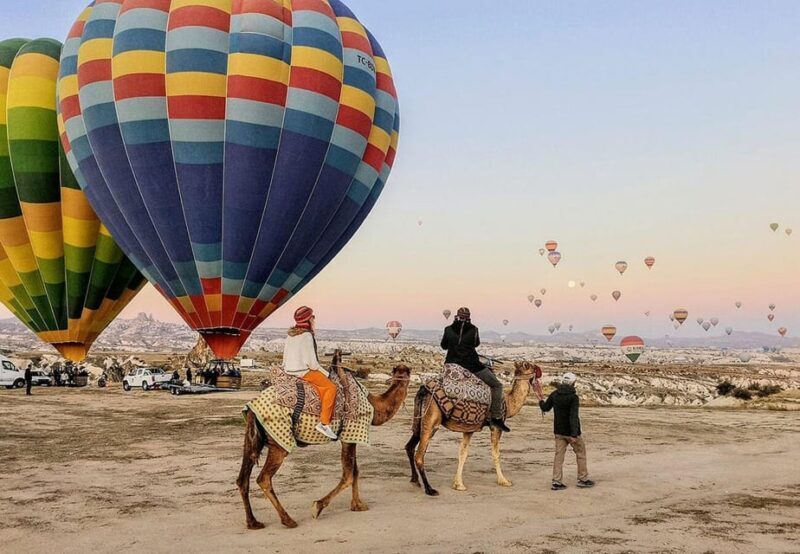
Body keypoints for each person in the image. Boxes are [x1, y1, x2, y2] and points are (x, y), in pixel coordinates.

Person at [440, 307, 510, 433]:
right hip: (471, 365)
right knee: (497, 386)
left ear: (456, 316)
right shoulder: (474, 330)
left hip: (451, 366)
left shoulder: (448, 329)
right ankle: (496, 417)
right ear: (469, 317)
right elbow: (476, 344)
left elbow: (443, 346)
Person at [282, 306, 338, 440]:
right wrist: (326, 374)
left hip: (289, 371)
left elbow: (284, 358)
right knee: (331, 387)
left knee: (321, 386)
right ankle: (324, 423)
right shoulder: (306, 335)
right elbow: (312, 364)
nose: (314, 320)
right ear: (309, 320)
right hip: (303, 372)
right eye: (313, 317)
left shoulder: (291, 335)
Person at [539, 372, 594, 490]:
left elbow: (545, 408)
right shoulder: (573, 397)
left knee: (559, 456)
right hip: (572, 433)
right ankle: (583, 479)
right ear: (573, 383)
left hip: (558, 432)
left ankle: (556, 482)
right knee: (581, 454)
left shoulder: (554, 394)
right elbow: (573, 416)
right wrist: (574, 434)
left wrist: (541, 402)